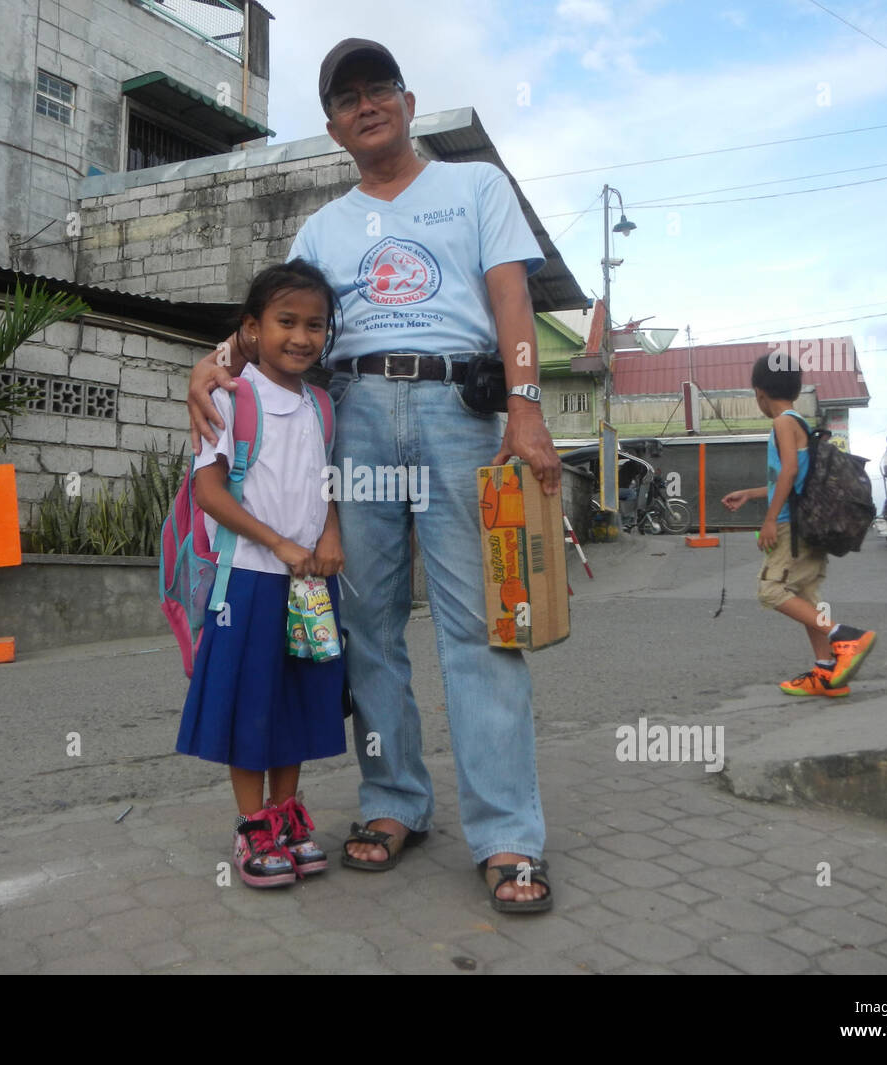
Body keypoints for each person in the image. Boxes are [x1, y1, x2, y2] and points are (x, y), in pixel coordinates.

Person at [187, 39, 560, 913]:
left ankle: (508, 833)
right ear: (332, 126)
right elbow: (281, 322)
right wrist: (210, 362)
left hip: (458, 413)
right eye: (348, 97)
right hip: (352, 420)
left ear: (406, 97)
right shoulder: (323, 227)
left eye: (380, 88)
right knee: (367, 627)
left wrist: (527, 403)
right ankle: (395, 801)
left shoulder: (475, 189)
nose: (368, 105)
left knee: (483, 625)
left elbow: (512, 298)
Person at [175, 260, 346, 889]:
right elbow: (210, 492)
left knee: (295, 701)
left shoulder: (321, 406)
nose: (301, 337)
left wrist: (329, 533)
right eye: (286, 322)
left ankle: (288, 817)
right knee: (250, 704)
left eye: (315, 326)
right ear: (251, 328)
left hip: (308, 585)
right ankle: (252, 827)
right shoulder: (229, 397)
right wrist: (278, 543)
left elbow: (322, 483)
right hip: (246, 580)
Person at [721, 354, 878, 697]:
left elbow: (789, 473)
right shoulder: (799, 422)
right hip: (808, 523)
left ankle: (844, 636)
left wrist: (767, 521)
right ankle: (826, 674)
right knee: (806, 597)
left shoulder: (782, 424)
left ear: (759, 392)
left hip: (791, 529)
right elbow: (791, 481)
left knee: (771, 590)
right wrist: (751, 493)